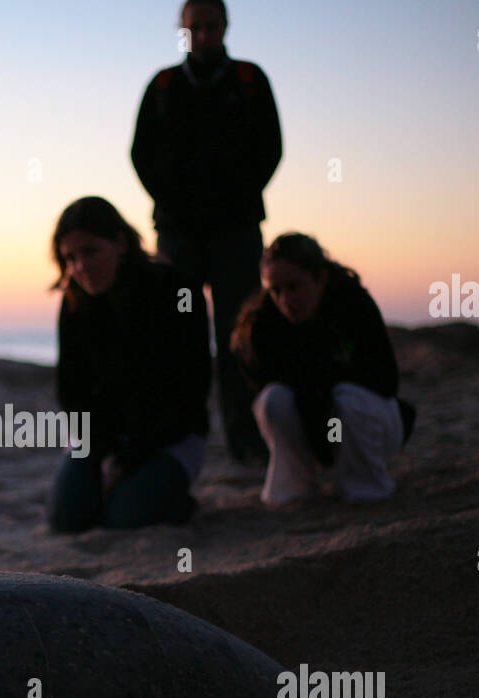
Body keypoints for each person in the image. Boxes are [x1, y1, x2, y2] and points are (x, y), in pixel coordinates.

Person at [131, 0, 282, 462]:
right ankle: (185, 436)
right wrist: (172, 201)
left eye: (210, 25)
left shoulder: (249, 80)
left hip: (236, 233)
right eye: (194, 27)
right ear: (183, 30)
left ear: (225, 26)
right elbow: (140, 153)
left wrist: (235, 197)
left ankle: (247, 439)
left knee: (241, 333)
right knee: (180, 337)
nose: (202, 34)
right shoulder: (163, 85)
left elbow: (271, 148)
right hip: (178, 235)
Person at [48, 197, 211, 532]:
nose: (80, 266)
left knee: (124, 519)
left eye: (90, 251)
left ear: (120, 243)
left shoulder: (175, 290)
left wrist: (130, 457)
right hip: (102, 439)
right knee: (67, 519)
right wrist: (105, 450)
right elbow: (71, 391)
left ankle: (175, 500)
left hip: (171, 438)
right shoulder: (75, 302)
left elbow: (190, 392)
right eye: (70, 258)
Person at [230, 232, 415, 505]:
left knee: (348, 398)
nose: (285, 299)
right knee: (274, 399)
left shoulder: (353, 305)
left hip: (366, 424)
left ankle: (364, 488)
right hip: (309, 426)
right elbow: (259, 383)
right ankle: (294, 487)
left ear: (320, 277)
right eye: (275, 290)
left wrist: (320, 383)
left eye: (294, 286)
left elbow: (384, 381)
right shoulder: (262, 324)